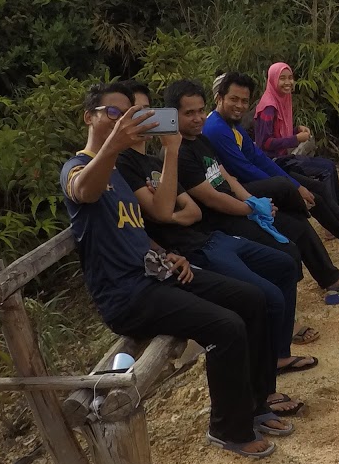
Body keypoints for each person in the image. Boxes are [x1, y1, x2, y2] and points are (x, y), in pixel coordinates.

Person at [61, 81, 294, 459]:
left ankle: (256, 405)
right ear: (89, 117)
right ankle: (227, 429)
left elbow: (136, 230)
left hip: (157, 272)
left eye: (129, 113)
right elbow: (83, 192)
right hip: (126, 295)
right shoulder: (78, 168)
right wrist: (113, 146)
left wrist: (167, 252)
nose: (123, 121)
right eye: (113, 113)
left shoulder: (117, 176)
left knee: (252, 299)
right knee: (226, 325)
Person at [111, 82, 314, 383]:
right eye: (132, 112)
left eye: (145, 111)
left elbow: (191, 208)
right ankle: (263, 382)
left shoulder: (157, 161)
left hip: (210, 238)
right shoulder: (128, 163)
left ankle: (279, 354)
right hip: (193, 251)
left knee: (285, 262)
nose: (197, 118)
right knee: (263, 295)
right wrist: (174, 211)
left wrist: (248, 204)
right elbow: (161, 212)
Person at [165, 79, 339, 308]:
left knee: (297, 224)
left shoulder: (202, 139)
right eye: (189, 113)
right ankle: (283, 316)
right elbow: (212, 198)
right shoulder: (182, 151)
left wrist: (252, 201)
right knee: (287, 243)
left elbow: (227, 176)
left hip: (238, 201)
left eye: (199, 111)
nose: (197, 118)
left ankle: (332, 280)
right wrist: (252, 207)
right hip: (219, 219)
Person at [205, 71, 339, 255]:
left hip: (257, 176)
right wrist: (292, 188)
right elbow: (244, 168)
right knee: (301, 195)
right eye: (234, 99)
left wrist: (296, 185)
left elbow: (257, 157)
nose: (240, 106)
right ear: (219, 98)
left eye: (244, 101)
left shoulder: (232, 125)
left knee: (314, 188)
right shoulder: (216, 129)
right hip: (237, 189)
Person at [253, 62, 339, 233]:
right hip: (274, 162)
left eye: (290, 78)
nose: (287, 82)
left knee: (328, 166)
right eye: (282, 79)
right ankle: (337, 223)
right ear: (272, 81)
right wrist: (295, 139)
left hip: (282, 158)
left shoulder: (279, 100)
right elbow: (265, 143)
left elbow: (277, 133)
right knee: (326, 170)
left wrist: (296, 130)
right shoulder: (269, 107)